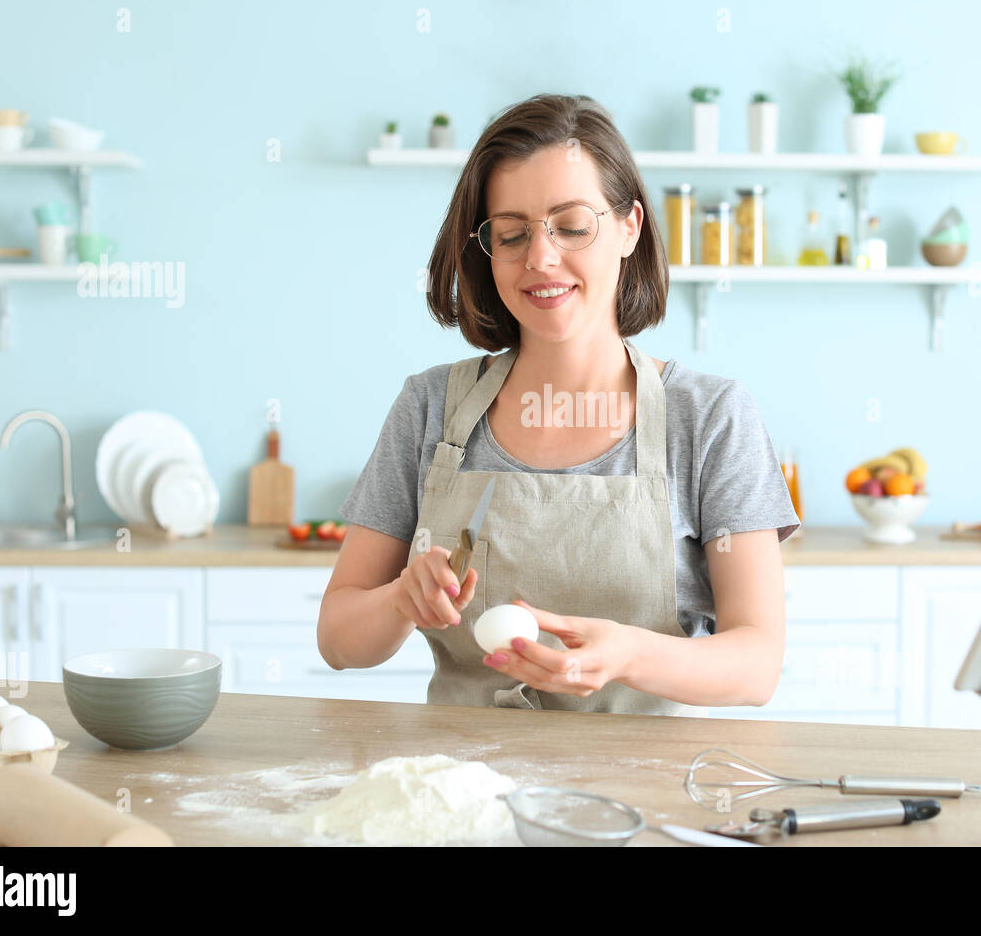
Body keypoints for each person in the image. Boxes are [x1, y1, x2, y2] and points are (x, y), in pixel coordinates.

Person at [318, 93, 798, 714]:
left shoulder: (710, 417)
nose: (541, 258)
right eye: (512, 234)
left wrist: (627, 655)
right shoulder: (428, 407)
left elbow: (756, 665)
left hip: (645, 791)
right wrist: (399, 600)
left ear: (630, 228)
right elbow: (337, 639)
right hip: (467, 789)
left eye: (572, 226)